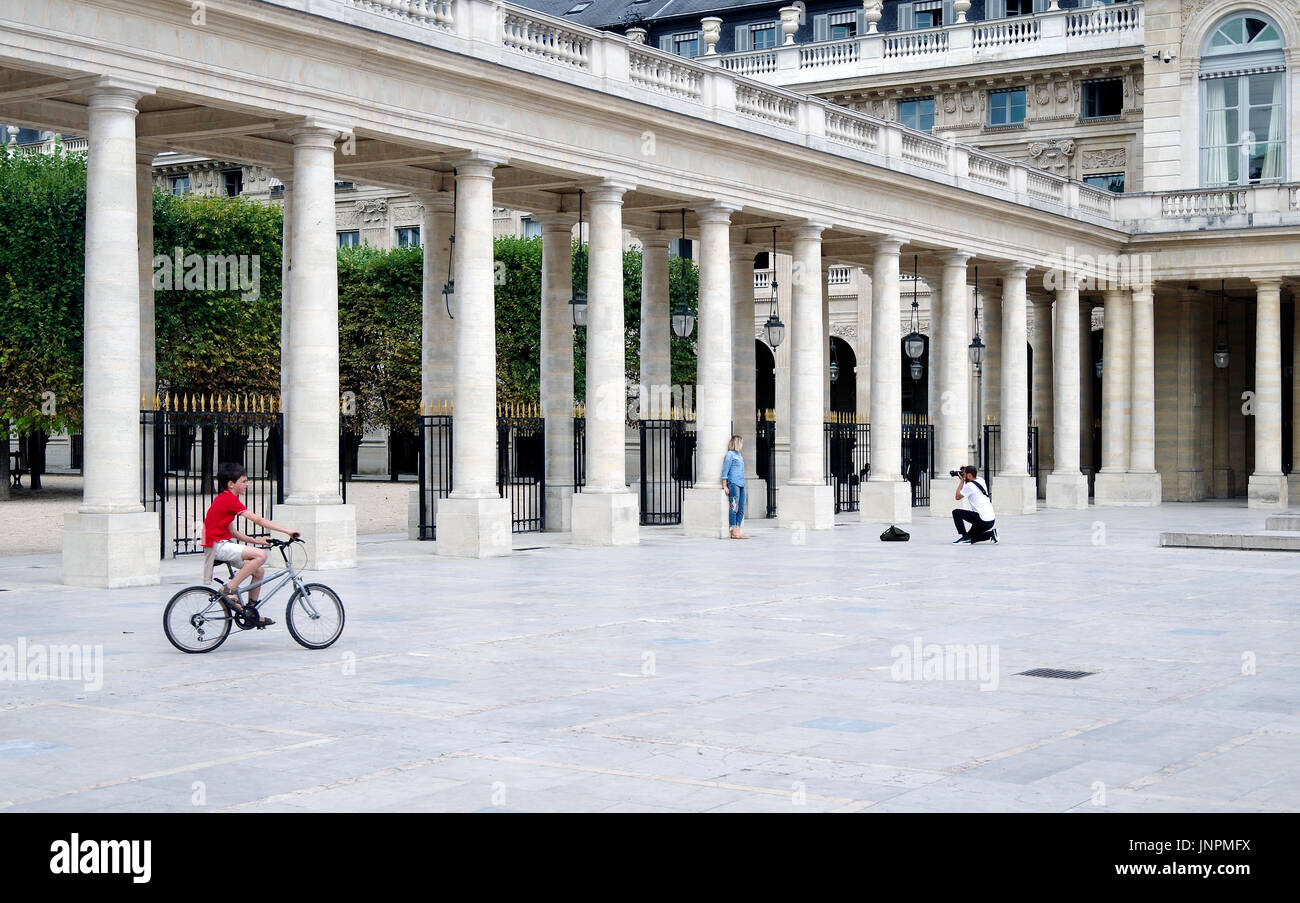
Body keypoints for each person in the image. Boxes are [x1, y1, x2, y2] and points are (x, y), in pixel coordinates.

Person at [203, 462, 300, 627]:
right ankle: (229, 588)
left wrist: (257, 541)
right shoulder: (228, 499)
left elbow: (233, 532)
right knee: (261, 555)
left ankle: (250, 613)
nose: (247, 484)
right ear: (231, 484)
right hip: (217, 546)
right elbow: (258, 520)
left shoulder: (225, 499)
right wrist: (287, 531)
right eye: (244, 481)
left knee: (259, 571)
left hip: (221, 544)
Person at [952, 465, 997, 544]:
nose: (963, 475)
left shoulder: (970, 486)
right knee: (971, 538)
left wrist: (961, 481)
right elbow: (972, 474)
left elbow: (957, 496)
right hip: (990, 520)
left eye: (964, 474)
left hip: (982, 519)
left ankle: (964, 537)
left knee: (956, 512)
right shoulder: (980, 480)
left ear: (969, 475)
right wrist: (966, 469)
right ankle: (991, 534)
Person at [721, 435, 748, 540]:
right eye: (741, 442)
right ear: (737, 443)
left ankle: (738, 529)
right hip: (733, 483)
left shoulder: (739, 455)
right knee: (734, 507)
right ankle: (734, 531)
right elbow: (725, 470)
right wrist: (725, 485)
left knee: (741, 508)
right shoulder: (730, 455)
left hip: (742, 483)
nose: (742, 445)